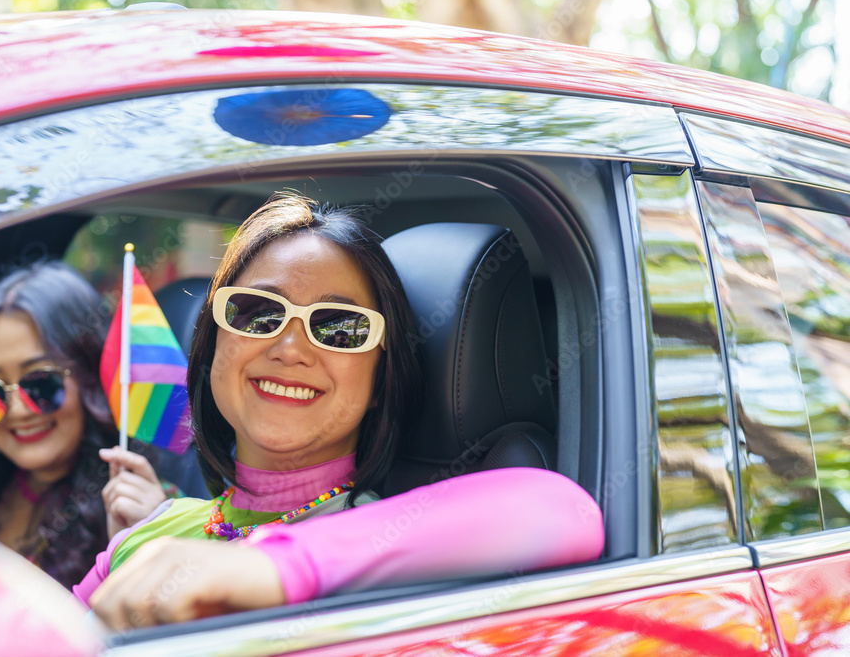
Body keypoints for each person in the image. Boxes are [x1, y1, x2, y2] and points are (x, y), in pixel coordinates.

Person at [75, 194, 605, 628]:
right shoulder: (146, 537)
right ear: (215, 345)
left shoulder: (397, 545)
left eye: (339, 327)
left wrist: (275, 563)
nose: (289, 348)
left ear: (379, 380)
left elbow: (562, 510)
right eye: (258, 313)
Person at [0, 261, 179, 590]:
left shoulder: (147, 506)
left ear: (92, 377)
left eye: (40, 383)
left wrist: (144, 545)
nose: (17, 411)